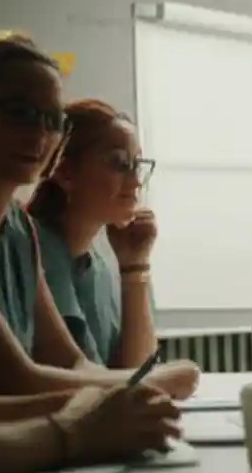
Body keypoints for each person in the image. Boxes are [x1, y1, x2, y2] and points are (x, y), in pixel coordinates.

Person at [0, 10, 180, 473]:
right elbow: (16, 379)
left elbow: (69, 363)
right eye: (21, 113)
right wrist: (138, 392)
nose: (41, 135)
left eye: (53, 121)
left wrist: (135, 391)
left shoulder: (21, 230)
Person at [27, 99, 158, 367]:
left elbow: (137, 371)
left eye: (137, 165)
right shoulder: (34, 249)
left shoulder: (98, 265)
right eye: (119, 164)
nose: (135, 182)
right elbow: (80, 379)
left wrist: (135, 266)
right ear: (64, 172)